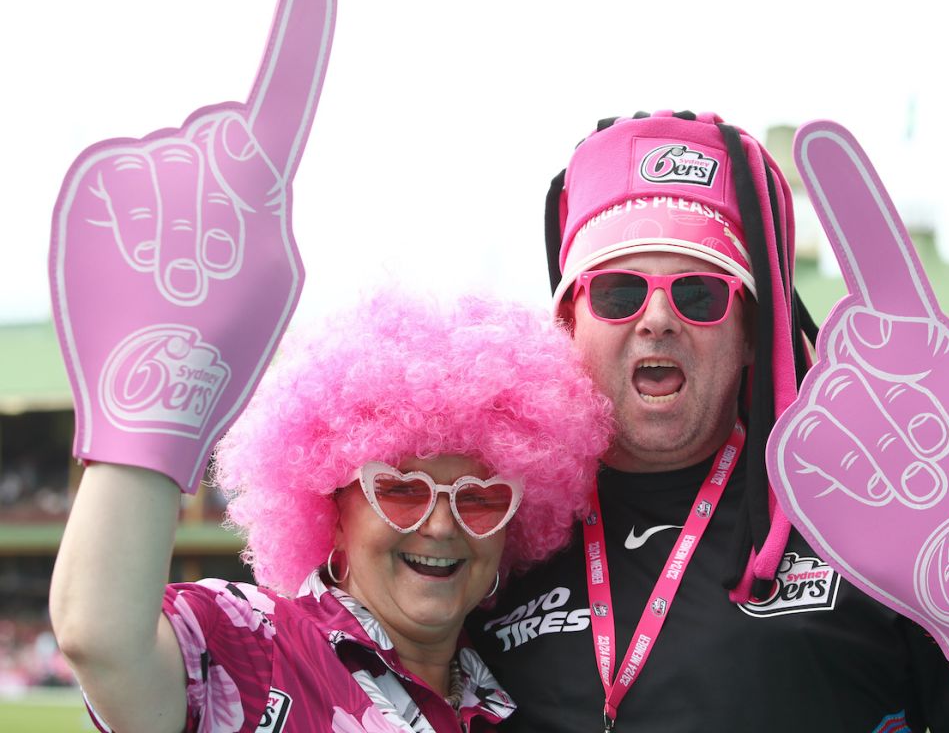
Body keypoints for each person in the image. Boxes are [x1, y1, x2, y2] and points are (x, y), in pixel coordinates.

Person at [467, 110, 949, 731]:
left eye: (699, 295)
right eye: (618, 292)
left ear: (749, 335)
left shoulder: (862, 513)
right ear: (569, 325)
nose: (657, 319)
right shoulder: (491, 530)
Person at [49, 290, 613, 732]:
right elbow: (102, 640)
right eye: (400, 490)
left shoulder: (506, 706)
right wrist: (154, 396)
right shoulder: (255, 647)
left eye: (481, 499)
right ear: (331, 505)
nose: (441, 526)